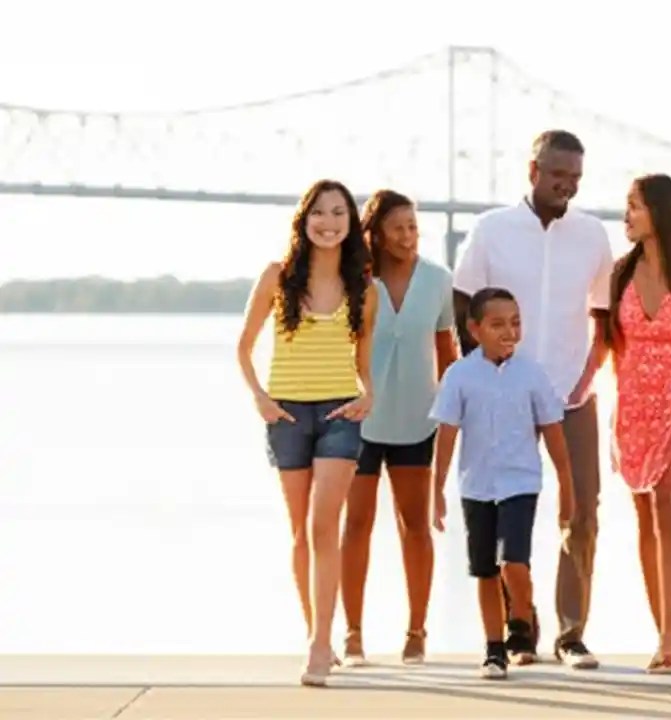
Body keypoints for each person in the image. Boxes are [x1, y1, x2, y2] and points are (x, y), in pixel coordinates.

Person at [451, 129, 613, 669]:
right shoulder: (491, 230)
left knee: (582, 512)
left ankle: (571, 634)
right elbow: (462, 301)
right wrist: (478, 371)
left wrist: (588, 377)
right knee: (498, 518)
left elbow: (604, 315)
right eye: (557, 175)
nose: (566, 186)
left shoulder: (592, 235)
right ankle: (519, 630)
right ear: (533, 171)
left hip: (569, 396)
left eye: (575, 178)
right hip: (501, 397)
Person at [234, 179, 377, 687]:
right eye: (319, 212)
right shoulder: (277, 277)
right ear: (304, 218)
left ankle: (321, 646)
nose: (329, 222)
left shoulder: (365, 287)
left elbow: (364, 359)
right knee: (300, 532)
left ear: (350, 224)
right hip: (287, 415)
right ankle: (314, 631)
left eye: (339, 213)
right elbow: (243, 346)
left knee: (323, 525)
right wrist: (261, 398)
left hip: (340, 413)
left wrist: (369, 394)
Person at [429, 287, 575, 679]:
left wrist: (567, 488)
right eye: (498, 325)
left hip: (520, 483)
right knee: (484, 570)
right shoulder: (459, 374)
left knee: (513, 561)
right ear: (475, 329)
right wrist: (436, 492)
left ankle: (521, 621)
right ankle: (494, 649)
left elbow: (554, 433)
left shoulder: (532, 373)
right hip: (475, 486)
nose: (509, 332)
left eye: (515, 323)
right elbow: (446, 436)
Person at [339, 189, 458, 667]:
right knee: (358, 526)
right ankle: (351, 633)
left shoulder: (438, 280)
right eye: (398, 228)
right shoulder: (356, 282)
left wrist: (453, 414)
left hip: (417, 419)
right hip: (358, 419)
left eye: (413, 225)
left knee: (415, 527)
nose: (408, 236)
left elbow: (447, 353)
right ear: (378, 234)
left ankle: (416, 631)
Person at [604, 173, 671, 673]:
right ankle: (663, 631)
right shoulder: (620, 274)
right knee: (646, 520)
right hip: (632, 405)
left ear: (660, 212)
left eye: (634, 206)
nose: (626, 215)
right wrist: (577, 391)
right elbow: (607, 344)